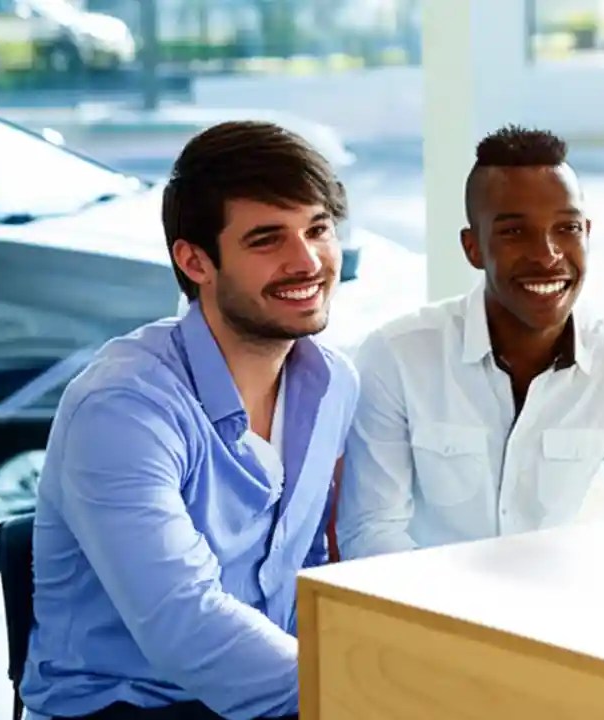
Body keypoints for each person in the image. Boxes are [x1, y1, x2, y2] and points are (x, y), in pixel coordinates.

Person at [20, 121, 359, 720]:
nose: (307, 261)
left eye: (318, 229)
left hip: (276, 695)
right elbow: (185, 625)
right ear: (195, 261)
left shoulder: (330, 382)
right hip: (124, 707)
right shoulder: (123, 406)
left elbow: (309, 572)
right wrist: (363, 692)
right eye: (267, 240)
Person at [337, 126, 604, 557]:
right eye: (515, 232)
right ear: (473, 248)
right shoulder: (397, 356)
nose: (548, 255)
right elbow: (370, 532)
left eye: (567, 227)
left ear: (587, 234)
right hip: (422, 595)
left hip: (558, 595)